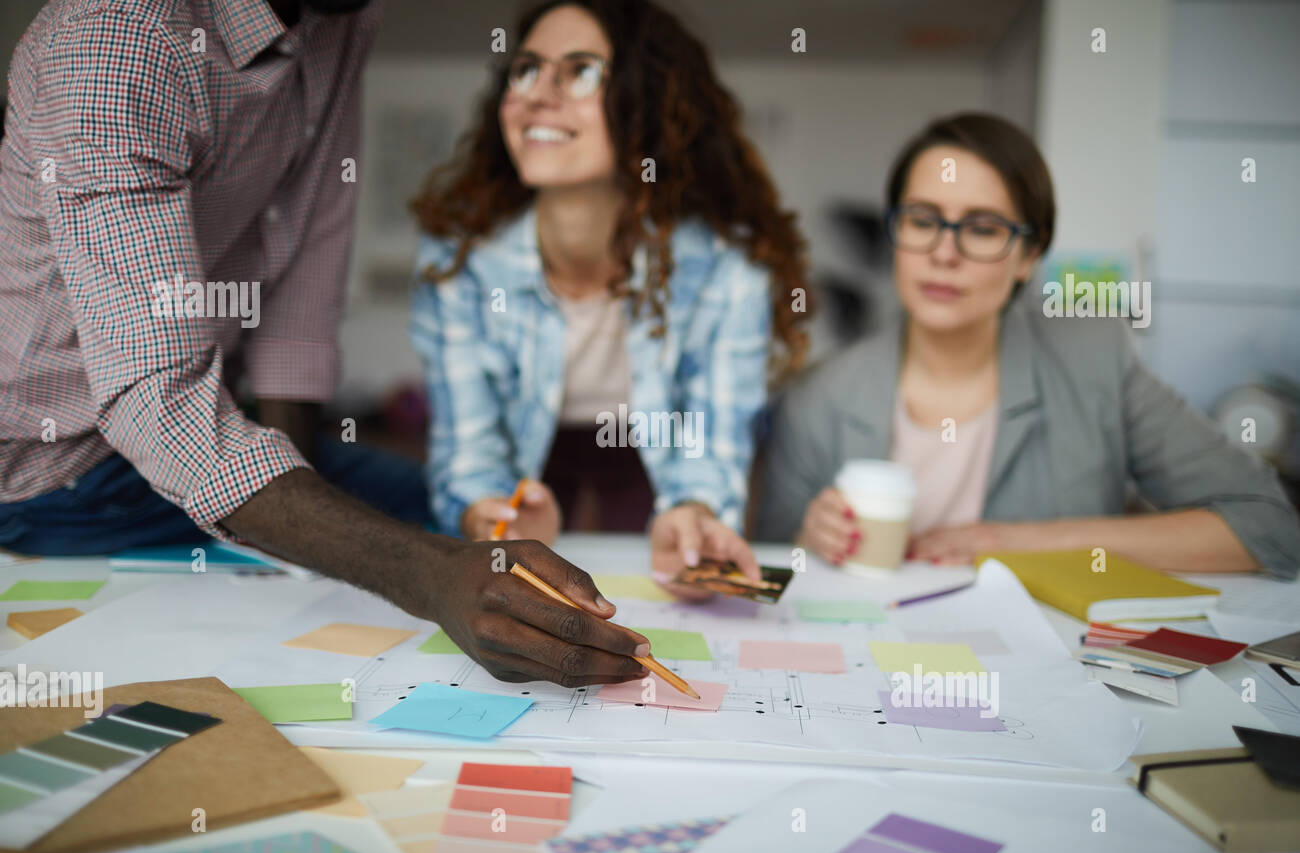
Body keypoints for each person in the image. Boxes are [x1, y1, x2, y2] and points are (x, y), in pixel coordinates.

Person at [0, 0, 651, 689]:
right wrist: (427, 579)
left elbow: (303, 282)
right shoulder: (113, 41)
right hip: (56, 472)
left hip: (197, 432)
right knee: (439, 569)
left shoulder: (340, 16)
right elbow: (157, 407)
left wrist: (309, 540)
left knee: (449, 532)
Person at [758, 112, 1300, 578]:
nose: (945, 253)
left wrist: (1012, 541)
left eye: (983, 228)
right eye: (923, 220)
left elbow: (1267, 524)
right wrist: (811, 543)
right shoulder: (818, 396)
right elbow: (775, 570)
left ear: (1029, 254)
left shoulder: (1094, 361)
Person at [409, 0, 812, 598]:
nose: (539, 94)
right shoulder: (457, 264)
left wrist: (697, 513)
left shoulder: (729, 269)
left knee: (661, 591)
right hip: (531, 471)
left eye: (580, 71)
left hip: (653, 456)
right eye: (526, 70)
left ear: (647, 109)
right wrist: (488, 517)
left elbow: (712, 441)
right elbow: (468, 454)